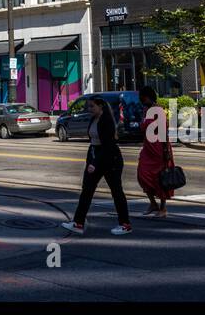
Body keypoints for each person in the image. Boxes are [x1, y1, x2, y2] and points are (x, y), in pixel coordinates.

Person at [60, 96, 132, 236]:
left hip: (111, 160)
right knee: (87, 190)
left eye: (92, 106)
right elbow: (93, 143)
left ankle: (125, 224)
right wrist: (90, 162)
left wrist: (94, 163)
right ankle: (78, 223)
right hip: (95, 156)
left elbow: (107, 146)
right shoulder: (94, 119)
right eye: (89, 106)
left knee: (117, 192)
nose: (89, 109)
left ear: (101, 106)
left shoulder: (107, 121)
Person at [136, 86, 173, 218]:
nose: (140, 99)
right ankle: (153, 203)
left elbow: (163, 131)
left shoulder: (158, 110)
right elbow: (143, 127)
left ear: (147, 97)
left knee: (160, 178)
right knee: (142, 175)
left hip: (158, 148)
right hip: (148, 148)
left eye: (141, 96)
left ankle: (163, 208)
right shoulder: (146, 110)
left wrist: (165, 150)